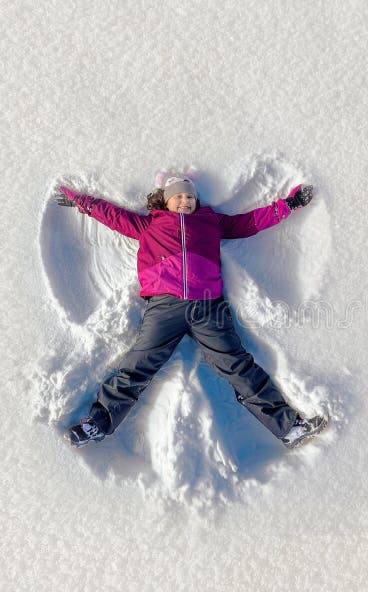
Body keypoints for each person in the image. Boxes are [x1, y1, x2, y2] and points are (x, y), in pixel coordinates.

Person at [57, 175, 327, 449]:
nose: (185, 201)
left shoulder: (211, 223)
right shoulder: (149, 225)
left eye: (189, 197)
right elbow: (112, 215)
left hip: (208, 307)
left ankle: (289, 427)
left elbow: (250, 222)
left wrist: (289, 204)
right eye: (178, 197)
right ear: (166, 201)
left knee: (237, 365)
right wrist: (78, 200)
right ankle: (96, 424)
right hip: (164, 307)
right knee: (137, 365)